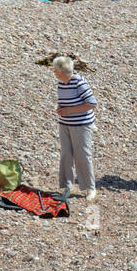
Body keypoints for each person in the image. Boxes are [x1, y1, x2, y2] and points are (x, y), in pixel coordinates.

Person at [52, 55, 97, 201]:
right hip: (64, 123)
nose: (54, 72)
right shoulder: (61, 83)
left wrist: (69, 111)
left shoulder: (79, 82)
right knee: (66, 154)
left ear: (61, 70)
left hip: (82, 125)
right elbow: (65, 101)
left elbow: (91, 103)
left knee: (83, 155)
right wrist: (60, 108)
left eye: (55, 69)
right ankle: (67, 186)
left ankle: (90, 188)